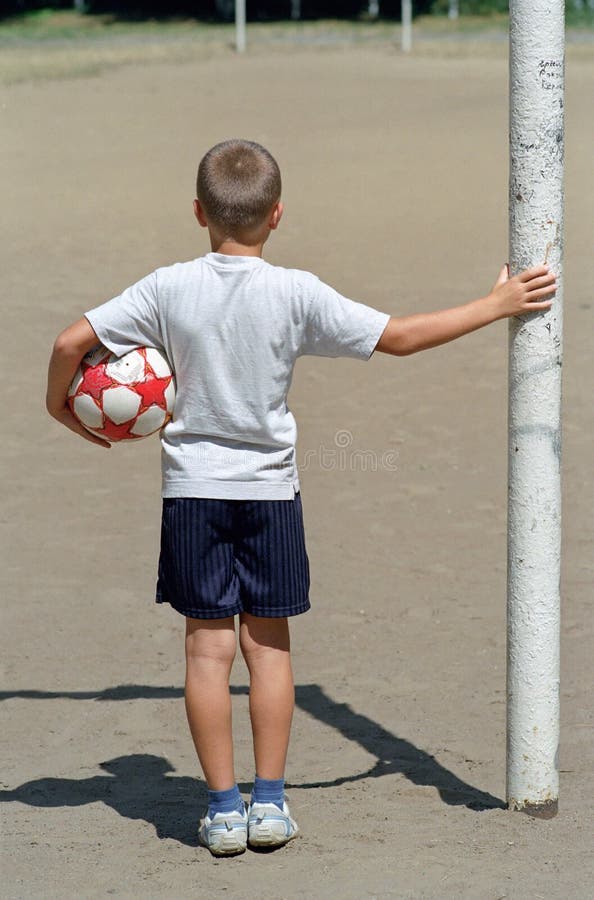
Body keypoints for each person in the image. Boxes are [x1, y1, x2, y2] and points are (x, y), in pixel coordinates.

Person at [46, 139, 556, 857]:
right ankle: (270, 804)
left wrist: (58, 407)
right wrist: (496, 304)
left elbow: (70, 343)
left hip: (192, 494)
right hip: (270, 496)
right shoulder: (295, 292)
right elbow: (400, 338)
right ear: (277, 214)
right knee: (269, 651)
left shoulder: (166, 288)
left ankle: (222, 811)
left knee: (206, 654)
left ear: (199, 212)